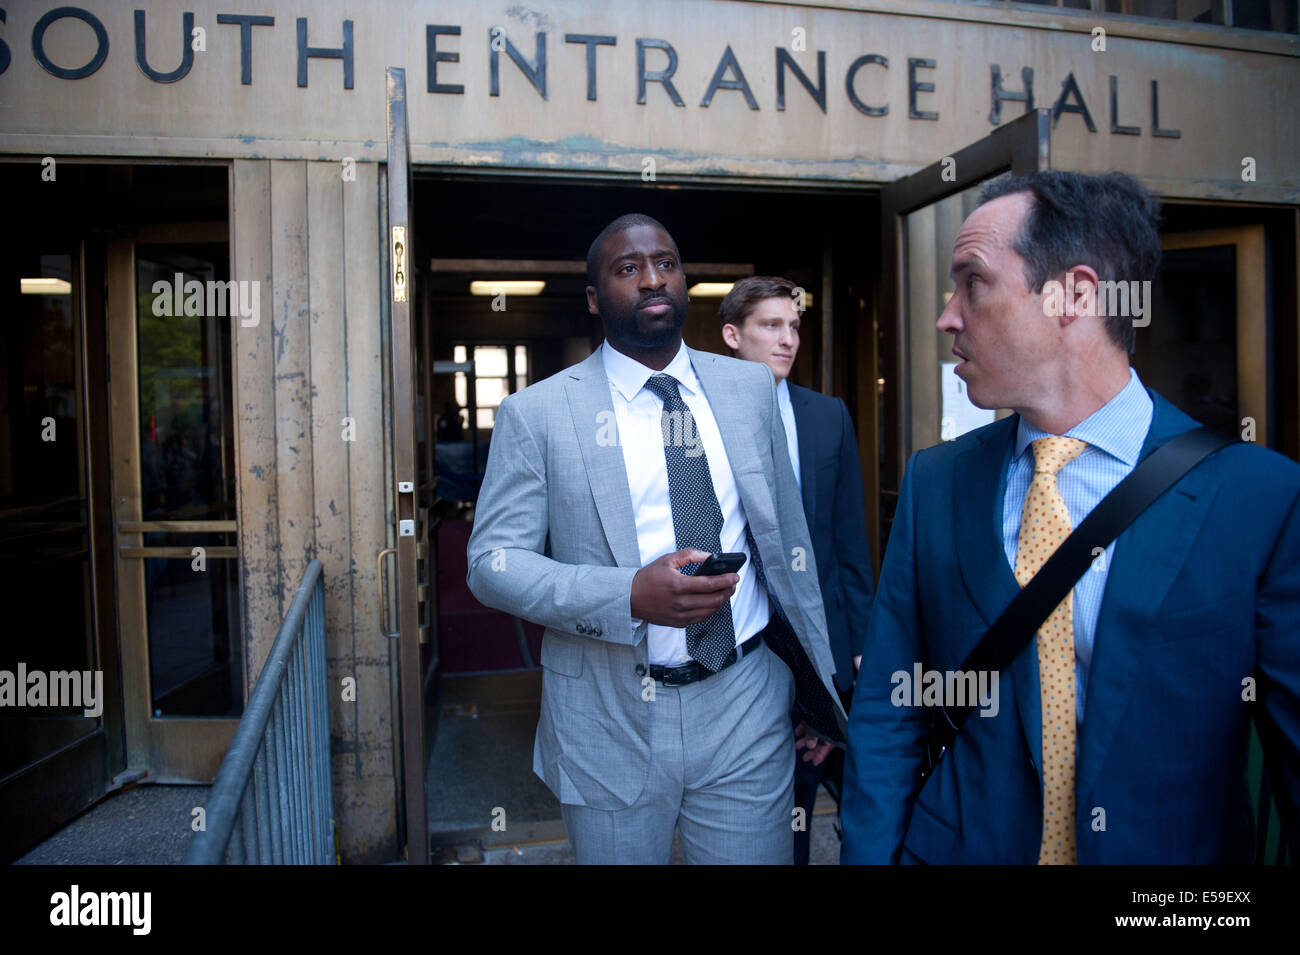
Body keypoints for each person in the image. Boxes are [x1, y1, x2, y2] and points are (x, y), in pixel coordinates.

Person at [840, 170, 1300, 864]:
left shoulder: (1258, 497)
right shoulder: (936, 481)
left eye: (973, 281)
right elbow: (889, 712)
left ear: (1075, 294)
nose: (947, 316)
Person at [467, 213, 847, 864]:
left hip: (746, 700)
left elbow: (791, 547)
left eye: (666, 263)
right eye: (627, 268)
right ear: (594, 298)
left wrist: (820, 686)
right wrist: (627, 595)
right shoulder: (539, 413)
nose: (651, 278)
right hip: (608, 712)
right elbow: (491, 563)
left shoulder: (748, 387)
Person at [719, 276, 875, 865]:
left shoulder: (827, 416)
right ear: (733, 336)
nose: (788, 340)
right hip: (740, 645)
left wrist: (858, 648)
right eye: (771, 326)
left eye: (795, 326)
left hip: (818, 643)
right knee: (745, 804)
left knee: (805, 800)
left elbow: (848, 543)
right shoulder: (699, 421)